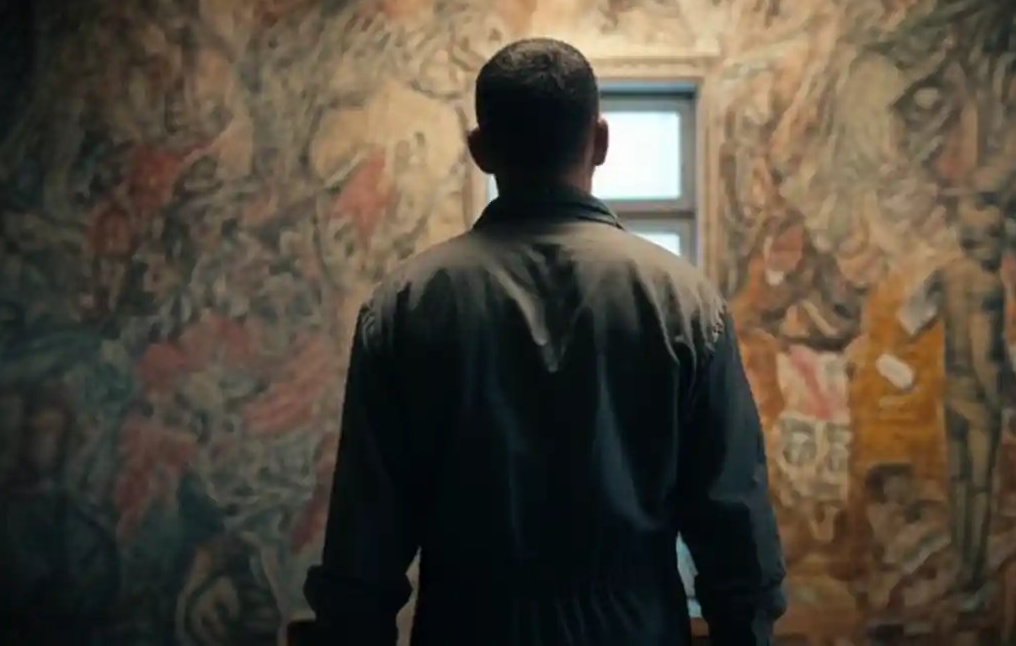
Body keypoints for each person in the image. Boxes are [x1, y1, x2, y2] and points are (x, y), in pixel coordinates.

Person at [304, 38, 786, 645]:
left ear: (479, 150)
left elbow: (361, 554)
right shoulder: (684, 305)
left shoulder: (405, 307)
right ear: (601, 141)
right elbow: (735, 536)